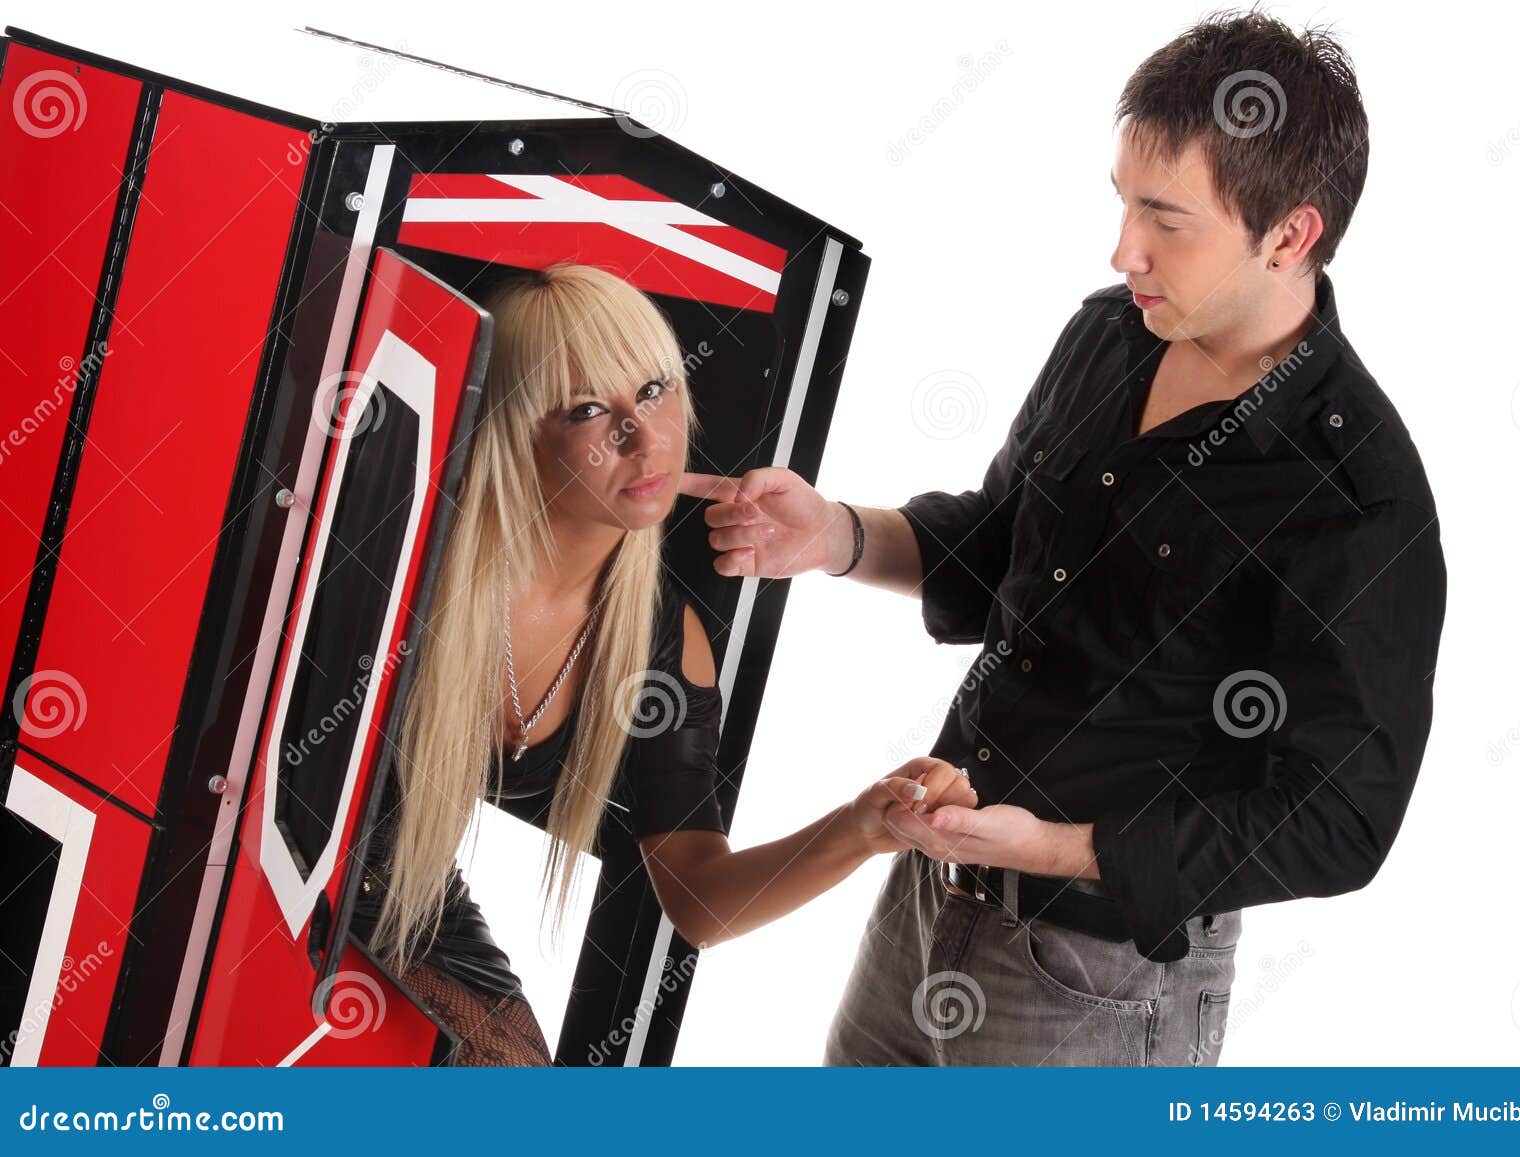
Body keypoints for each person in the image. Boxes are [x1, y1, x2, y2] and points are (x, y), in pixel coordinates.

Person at [681, 9, 1446, 1066]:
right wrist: (836, 536)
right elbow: (1004, 545)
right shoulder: (1107, 330)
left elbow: (1342, 818)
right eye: (1123, 201)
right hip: (926, 893)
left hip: (1100, 982)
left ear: (1289, 234)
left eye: (1165, 219)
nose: (1122, 248)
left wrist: (1056, 848)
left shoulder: (1358, 495)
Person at [347, 263, 976, 1066]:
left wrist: (862, 826)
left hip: (407, 894)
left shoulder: (657, 644)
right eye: (588, 410)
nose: (643, 437)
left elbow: (699, 897)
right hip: (267, 838)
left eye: (654, 390)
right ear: (515, 428)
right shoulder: (409, 539)